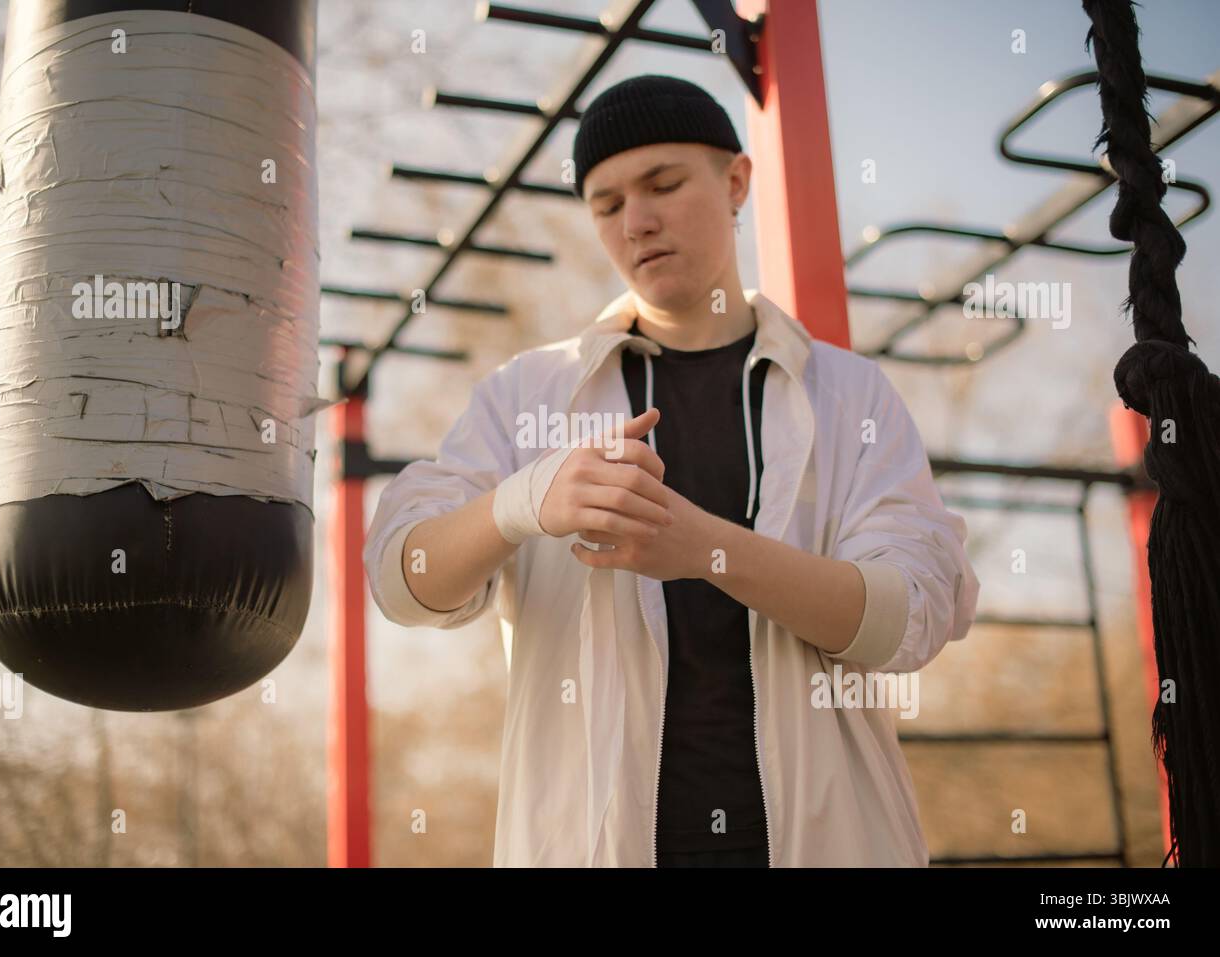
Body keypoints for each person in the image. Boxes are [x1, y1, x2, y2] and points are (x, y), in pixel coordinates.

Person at [364, 74, 980, 867]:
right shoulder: (529, 394)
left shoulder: (850, 393)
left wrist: (706, 550)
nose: (638, 222)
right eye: (607, 203)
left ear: (735, 182)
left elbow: (911, 618)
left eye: (662, 184)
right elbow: (397, 574)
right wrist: (521, 502)